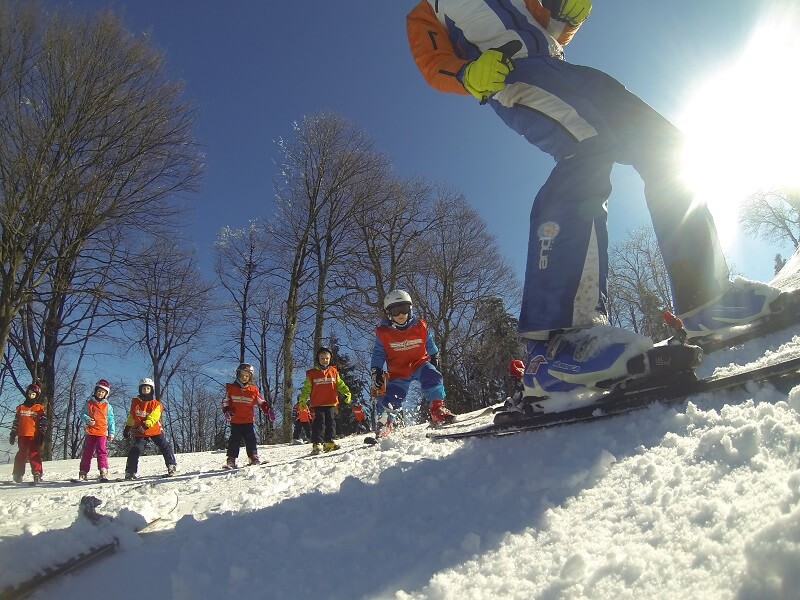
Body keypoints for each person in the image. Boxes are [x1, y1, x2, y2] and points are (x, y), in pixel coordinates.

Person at [406, 1, 786, 397]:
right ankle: (555, 343)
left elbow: (546, 30)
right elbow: (435, 63)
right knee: (586, 147)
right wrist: (468, 74)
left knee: (664, 144)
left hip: (564, 69)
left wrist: (566, 16)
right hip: (514, 75)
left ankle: (706, 297)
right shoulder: (429, 9)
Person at [370, 290, 455, 434]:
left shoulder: (419, 327)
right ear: (389, 313)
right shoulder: (383, 333)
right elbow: (378, 353)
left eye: (403, 309)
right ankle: (385, 423)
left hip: (419, 364)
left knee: (433, 376)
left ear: (410, 308)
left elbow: (429, 341)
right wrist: (376, 370)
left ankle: (437, 409)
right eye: (395, 311)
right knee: (392, 398)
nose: (400, 314)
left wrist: (434, 354)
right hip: (398, 371)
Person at [297, 347, 352, 454]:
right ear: (318, 359)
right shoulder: (312, 373)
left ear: (330, 359)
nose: (325, 360)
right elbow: (307, 388)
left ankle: (329, 442)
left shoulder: (333, 372)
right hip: (318, 403)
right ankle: (317, 443)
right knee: (319, 422)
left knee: (331, 422)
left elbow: (340, 384)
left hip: (330, 402)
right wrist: (303, 399)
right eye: (322, 358)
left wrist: (347, 393)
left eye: (327, 358)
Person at [123, 377, 177, 479]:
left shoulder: (156, 404)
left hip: (154, 430)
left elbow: (154, 417)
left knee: (165, 446)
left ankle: (171, 465)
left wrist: (145, 425)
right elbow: (132, 416)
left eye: (148, 388)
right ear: (140, 390)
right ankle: (130, 471)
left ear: (151, 390)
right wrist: (127, 427)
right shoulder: (135, 402)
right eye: (143, 388)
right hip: (140, 432)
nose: (146, 390)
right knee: (135, 449)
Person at [221, 363, 271, 468]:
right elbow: (225, 401)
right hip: (236, 420)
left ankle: (253, 456)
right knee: (234, 440)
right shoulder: (232, 389)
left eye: (247, 376)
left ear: (250, 377)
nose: (244, 377)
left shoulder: (252, 390)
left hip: (248, 420)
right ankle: (231, 459)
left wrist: (267, 409)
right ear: (238, 375)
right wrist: (226, 410)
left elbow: (260, 401)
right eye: (242, 375)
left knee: (251, 439)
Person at [78, 379, 116, 482]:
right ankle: (83, 471)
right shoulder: (89, 403)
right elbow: (82, 414)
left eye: (103, 392)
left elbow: (111, 420)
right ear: (95, 391)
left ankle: (103, 470)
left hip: (102, 432)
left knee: (101, 451)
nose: (100, 393)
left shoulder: (107, 406)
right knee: (87, 452)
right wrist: (87, 419)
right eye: (99, 391)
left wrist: (112, 432)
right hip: (90, 432)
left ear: (106, 394)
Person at [9, 383, 47, 484]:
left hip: (33, 436)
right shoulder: (20, 408)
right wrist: (13, 433)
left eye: (33, 394)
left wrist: (42, 433)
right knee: (21, 454)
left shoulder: (39, 408)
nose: (31, 396)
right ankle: (18, 474)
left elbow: (43, 422)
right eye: (29, 393)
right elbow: (16, 422)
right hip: (22, 435)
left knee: (33, 453)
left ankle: (37, 472)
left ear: (36, 396)